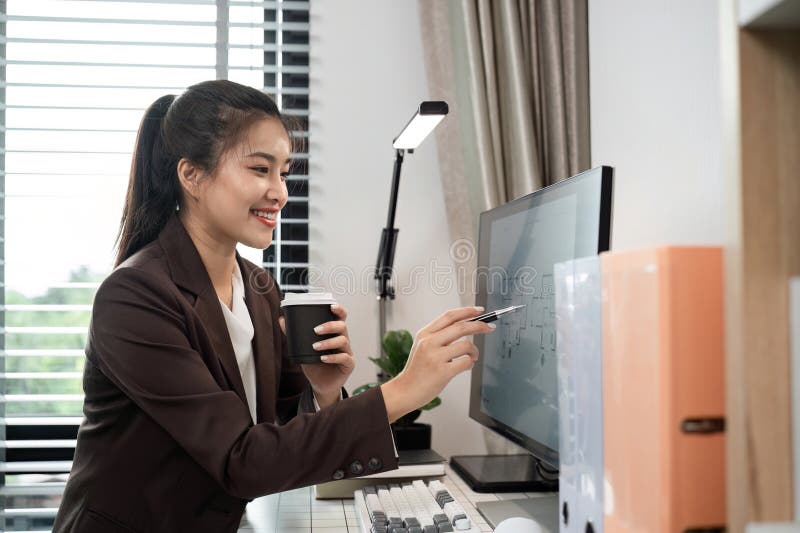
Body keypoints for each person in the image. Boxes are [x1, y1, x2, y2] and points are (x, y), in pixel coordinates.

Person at [52, 80, 494, 533]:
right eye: (260, 169)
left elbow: (284, 434)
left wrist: (321, 392)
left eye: (284, 172)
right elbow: (241, 459)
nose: (280, 192)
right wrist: (403, 391)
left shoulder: (260, 288)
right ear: (192, 176)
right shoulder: (134, 298)